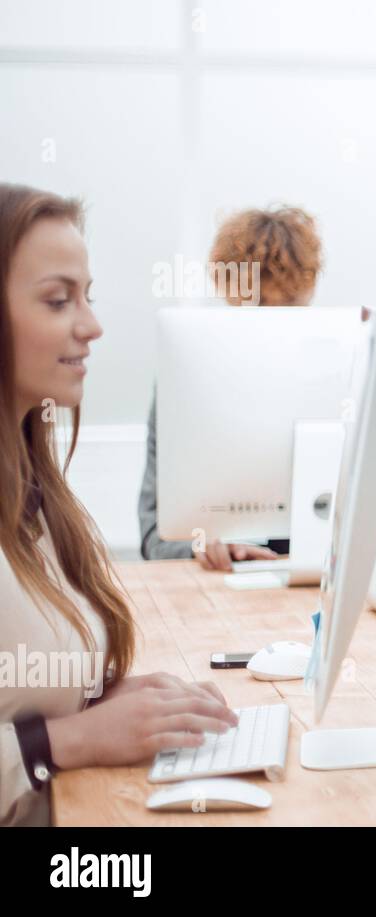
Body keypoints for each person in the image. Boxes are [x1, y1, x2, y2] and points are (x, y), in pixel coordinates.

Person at [1, 183, 239, 826]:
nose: (92, 325)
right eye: (58, 299)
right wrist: (71, 739)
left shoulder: (30, 489)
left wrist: (102, 704)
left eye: (87, 295)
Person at [137, 205, 322, 568]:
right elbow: (152, 538)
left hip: (312, 583)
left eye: (287, 309)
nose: (271, 327)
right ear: (227, 292)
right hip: (221, 584)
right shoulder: (184, 378)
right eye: (258, 307)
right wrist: (197, 547)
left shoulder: (341, 373)